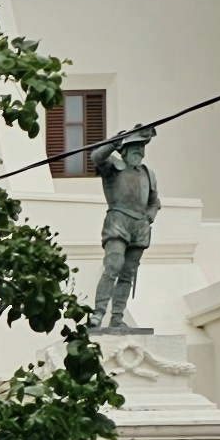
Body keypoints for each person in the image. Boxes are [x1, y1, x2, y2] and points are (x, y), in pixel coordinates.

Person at [90, 122, 160, 332]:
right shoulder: (113, 166)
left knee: (128, 274)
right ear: (126, 149)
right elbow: (96, 157)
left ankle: (117, 318)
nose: (139, 150)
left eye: (142, 146)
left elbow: (154, 201)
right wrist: (113, 142)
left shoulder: (148, 174)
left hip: (140, 225)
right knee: (113, 265)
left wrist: (150, 215)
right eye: (135, 145)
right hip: (118, 219)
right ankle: (98, 313)